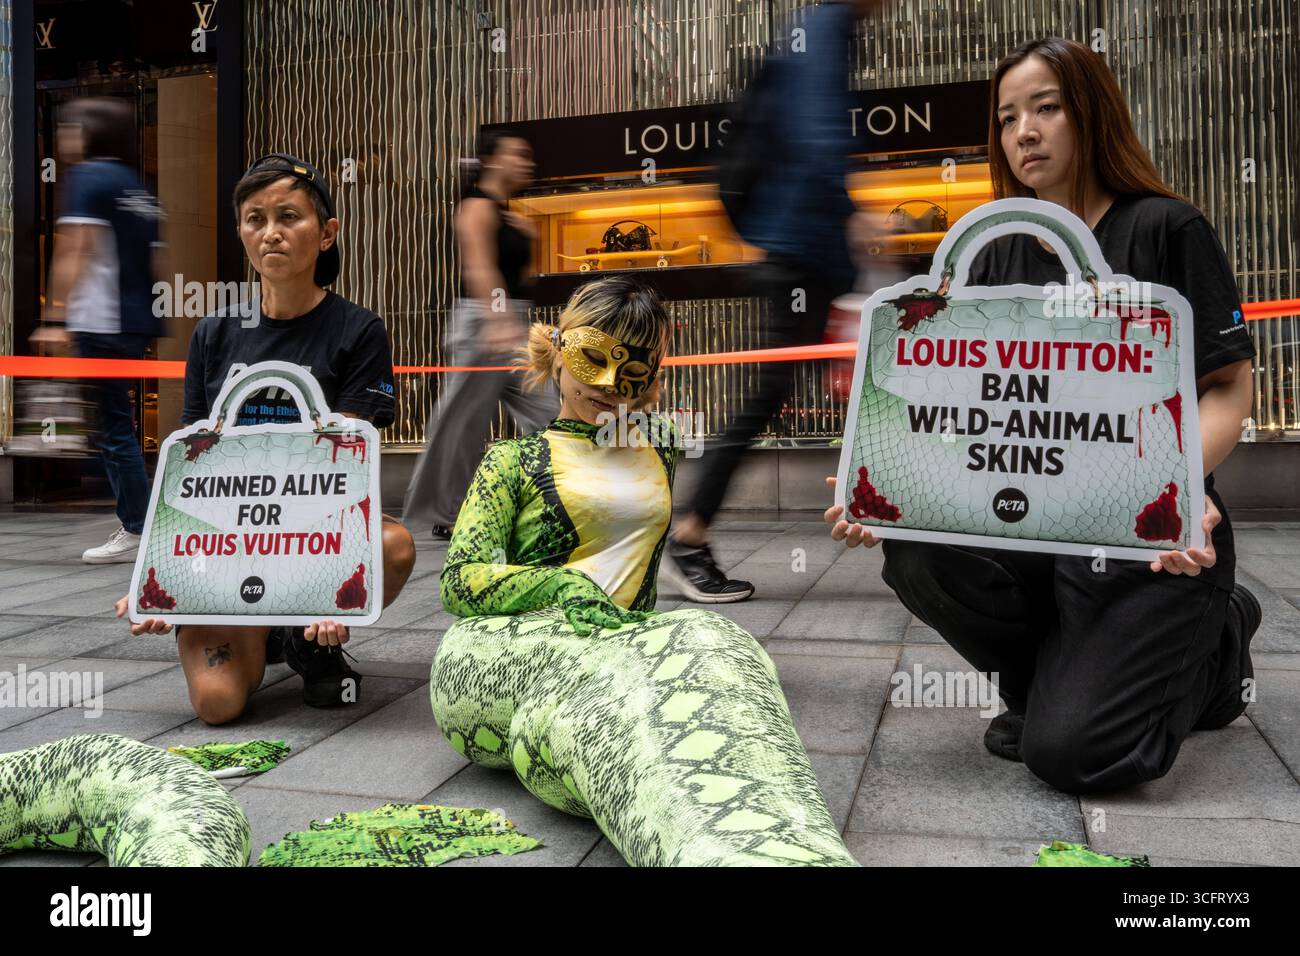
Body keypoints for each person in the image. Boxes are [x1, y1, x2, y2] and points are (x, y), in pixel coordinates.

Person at [825, 38, 1260, 793]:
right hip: (1029, 522)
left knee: (1073, 758)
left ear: (1090, 113)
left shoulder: (1166, 227)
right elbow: (957, 410)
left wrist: (1182, 493)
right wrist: (886, 490)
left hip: (1148, 536)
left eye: (1047, 108)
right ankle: (1051, 688)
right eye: (1007, 117)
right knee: (916, 554)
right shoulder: (996, 253)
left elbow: (1228, 387)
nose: (1024, 131)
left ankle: (1215, 647)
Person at [428, 276, 856, 866]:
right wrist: (563, 584)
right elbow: (459, 581)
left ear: (654, 374)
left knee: (713, 639)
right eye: (592, 359)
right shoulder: (513, 460)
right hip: (497, 651)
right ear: (559, 352)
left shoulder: (660, 443)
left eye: (632, 369)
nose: (607, 385)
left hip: (617, 646)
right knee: (669, 657)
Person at [116, 153, 417, 724]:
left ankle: (309, 636)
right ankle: (271, 631)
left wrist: (328, 587)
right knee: (217, 704)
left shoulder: (358, 330)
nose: (271, 233)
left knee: (394, 543)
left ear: (326, 233)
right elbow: (193, 464)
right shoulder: (214, 332)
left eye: (289, 217)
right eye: (255, 219)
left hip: (313, 538)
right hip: (226, 544)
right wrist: (159, 580)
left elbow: (345, 468)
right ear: (242, 235)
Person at [664, 0, 889, 602]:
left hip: (803, 251)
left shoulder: (827, 31)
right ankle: (686, 536)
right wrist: (856, 211)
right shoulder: (821, 30)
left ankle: (689, 533)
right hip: (801, 252)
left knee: (827, 389)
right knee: (783, 392)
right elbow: (815, 136)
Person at [402, 129, 558, 539]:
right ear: (492, 161)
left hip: (515, 325)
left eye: (529, 156)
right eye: (518, 155)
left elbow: (524, 278)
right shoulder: (475, 207)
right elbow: (479, 267)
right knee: (464, 422)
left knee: (551, 414)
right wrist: (498, 318)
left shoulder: (517, 218)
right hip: (484, 323)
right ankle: (449, 510)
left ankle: (556, 494)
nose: (528, 163)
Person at [30, 98, 167, 564]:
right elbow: (157, 261)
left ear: (90, 133)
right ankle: (141, 520)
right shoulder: (138, 187)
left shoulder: (88, 179)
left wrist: (54, 319)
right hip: (133, 320)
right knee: (118, 424)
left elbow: (75, 250)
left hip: (99, 318)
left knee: (112, 428)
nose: (64, 136)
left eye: (69, 127)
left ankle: (137, 527)